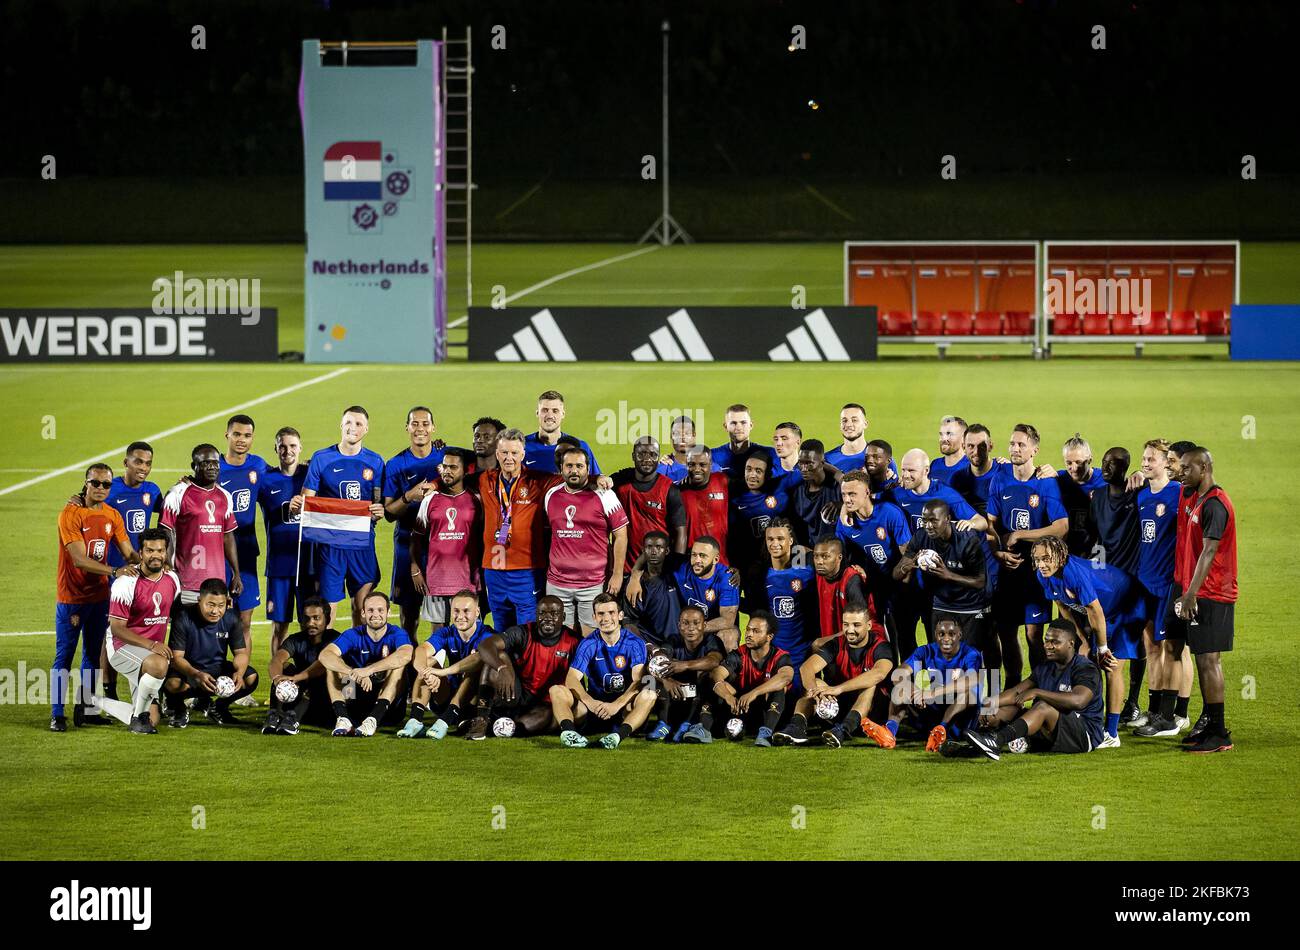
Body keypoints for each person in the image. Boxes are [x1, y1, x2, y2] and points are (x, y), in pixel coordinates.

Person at [1031, 536, 1145, 748]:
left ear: (1060, 556)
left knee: (1111, 666)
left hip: (1126, 606)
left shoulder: (1074, 574)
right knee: (1089, 661)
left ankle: (1111, 733)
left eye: (1046, 558)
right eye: (1037, 559)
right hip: (1104, 609)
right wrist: (1081, 641)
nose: (1041, 564)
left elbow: (1096, 611)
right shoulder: (1042, 575)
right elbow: (1063, 605)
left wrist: (1102, 648)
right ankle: (1092, 720)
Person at [1163, 447, 1237, 753]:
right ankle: (1208, 721)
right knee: (1196, 656)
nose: (1180, 474)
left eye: (1185, 469)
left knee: (1209, 659)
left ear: (1203, 468)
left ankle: (1219, 731)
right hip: (1192, 589)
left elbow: (1209, 551)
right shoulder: (1194, 496)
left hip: (1211, 593)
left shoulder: (1216, 505)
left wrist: (1191, 593)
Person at [53, 464, 137, 731]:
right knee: (64, 656)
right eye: (95, 483)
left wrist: (154, 562)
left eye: (106, 485)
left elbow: (129, 553)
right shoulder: (70, 514)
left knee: (92, 654)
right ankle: (58, 714)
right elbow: (78, 559)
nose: (101, 488)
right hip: (72, 598)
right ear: (86, 483)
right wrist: (114, 571)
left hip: (99, 596)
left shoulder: (112, 515)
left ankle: (87, 709)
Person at [986, 424, 1066, 684]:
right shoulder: (1000, 478)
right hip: (1007, 571)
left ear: (1035, 450)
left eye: (1021, 444)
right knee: (1006, 632)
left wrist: (1021, 535)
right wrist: (997, 551)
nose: (1015, 449)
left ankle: (1041, 688)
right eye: (1012, 443)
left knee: (1034, 635)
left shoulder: (1046, 483)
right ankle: (1012, 689)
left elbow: (1061, 526)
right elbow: (990, 522)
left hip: (1036, 573)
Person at [888, 448, 987, 657]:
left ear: (926, 471)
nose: (905, 475)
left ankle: (941, 686)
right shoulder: (897, 492)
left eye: (911, 471)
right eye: (903, 469)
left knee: (938, 639)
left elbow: (981, 521)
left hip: (937, 582)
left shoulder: (945, 495)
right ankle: (910, 686)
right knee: (904, 636)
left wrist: (966, 523)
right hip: (911, 576)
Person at [964, 618, 1104, 759]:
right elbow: (1016, 693)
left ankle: (996, 741)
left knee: (1042, 706)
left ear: (1070, 644)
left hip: (1083, 734)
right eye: (1046, 640)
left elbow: (1078, 701)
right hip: (1052, 729)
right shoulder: (1046, 666)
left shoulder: (1085, 668)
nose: (1048, 646)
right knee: (1003, 708)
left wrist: (1037, 692)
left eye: (1055, 642)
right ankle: (975, 745)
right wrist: (989, 703)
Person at [297, 406, 386, 630]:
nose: (352, 427)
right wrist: (299, 505)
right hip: (330, 546)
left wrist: (379, 511)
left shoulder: (375, 462)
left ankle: (359, 656)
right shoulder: (321, 458)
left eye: (358, 423)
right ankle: (327, 663)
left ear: (366, 428)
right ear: (341, 425)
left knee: (361, 608)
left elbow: (378, 501)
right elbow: (308, 500)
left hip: (362, 544)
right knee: (329, 608)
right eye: (348, 422)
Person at [1131, 439, 1192, 737]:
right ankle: (1154, 710)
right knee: (1152, 648)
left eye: (1151, 459)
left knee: (1175, 649)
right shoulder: (1141, 496)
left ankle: (1176, 713)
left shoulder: (1179, 494)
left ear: (1165, 463)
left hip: (1169, 583)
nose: (1145, 463)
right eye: (1143, 458)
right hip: (1145, 582)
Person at [776, 602, 896, 748]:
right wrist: (815, 692)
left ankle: (843, 730)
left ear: (869, 625)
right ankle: (797, 727)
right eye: (846, 625)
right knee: (816, 684)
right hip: (837, 706)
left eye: (856, 625)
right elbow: (806, 668)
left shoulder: (881, 646)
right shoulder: (836, 644)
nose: (850, 630)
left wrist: (838, 689)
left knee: (870, 685)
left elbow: (879, 673)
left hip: (870, 715)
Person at [467, 595, 581, 739]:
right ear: (536, 615)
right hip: (516, 694)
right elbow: (485, 645)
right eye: (542, 613)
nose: (547, 618)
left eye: (554, 614)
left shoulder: (574, 641)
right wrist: (502, 668)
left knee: (542, 718)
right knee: (499, 656)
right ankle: (481, 719)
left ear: (563, 617)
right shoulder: (523, 632)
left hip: (544, 704)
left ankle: (499, 725)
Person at [543, 446, 629, 632]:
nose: (574, 471)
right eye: (569, 466)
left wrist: (617, 574)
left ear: (588, 470)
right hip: (557, 582)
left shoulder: (605, 495)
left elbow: (621, 535)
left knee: (591, 635)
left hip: (593, 582)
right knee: (561, 637)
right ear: (561, 469)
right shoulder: (551, 496)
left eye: (579, 466)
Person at [1087, 446, 1144, 720]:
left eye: (1114, 464)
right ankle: (1104, 706)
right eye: (1104, 462)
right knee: (1104, 644)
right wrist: (1098, 571)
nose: (1106, 468)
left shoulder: (1138, 493)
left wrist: (1141, 474)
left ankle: (1132, 701)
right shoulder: (1096, 496)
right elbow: (1095, 538)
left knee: (1134, 643)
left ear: (1125, 468)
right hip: (1106, 581)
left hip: (1133, 581)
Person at [553, 595, 655, 749]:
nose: (606, 618)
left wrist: (616, 705)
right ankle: (570, 734)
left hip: (623, 711)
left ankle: (617, 737)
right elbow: (571, 679)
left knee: (649, 693)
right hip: (594, 710)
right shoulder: (588, 643)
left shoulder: (634, 643)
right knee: (556, 690)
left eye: (611, 612)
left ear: (620, 615)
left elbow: (638, 682)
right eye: (601, 614)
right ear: (594, 617)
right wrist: (590, 702)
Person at [104, 528, 180, 734]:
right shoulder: (126, 583)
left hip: (149, 654)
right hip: (122, 648)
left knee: (154, 720)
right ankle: (139, 718)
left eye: (160, 550)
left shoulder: (172, 579)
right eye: (150, 550)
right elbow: (116, 628)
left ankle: (93, 701)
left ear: (166, 552)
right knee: (158, 664)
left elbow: (177, 609)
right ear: (141, 552)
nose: (156, 555)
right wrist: (152, 645)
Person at [893, 499, 992, 652]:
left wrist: (949, 575)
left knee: (969, 658)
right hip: (941, 605)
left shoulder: (968, 540)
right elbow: (896, 575)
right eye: (924, 520)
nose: (928, 526)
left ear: (947, 519)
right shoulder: (921, 537)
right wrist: (908, 565)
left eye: (933, 521)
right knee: (942, 658)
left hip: (971, 606)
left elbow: (980, 581)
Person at [396, 589, 493, 739]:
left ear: (477, 611)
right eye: (456, 611)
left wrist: (443, 672)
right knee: (428, 663)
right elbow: (421, 650)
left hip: (473, 703)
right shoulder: (447, 632)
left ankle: (445, 721)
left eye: (466, 611)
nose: (460, 616)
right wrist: (426, 672)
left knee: (475, 669)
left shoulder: (487, 634)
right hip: (446, 698)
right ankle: (415, 720)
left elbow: (478, 659)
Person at [382, 406, 445, 634]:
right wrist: (409, 496)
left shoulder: (445, 456)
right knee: (409, 616)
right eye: (415, 424)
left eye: (425, 424)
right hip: (407, 546)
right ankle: (407, 667)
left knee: (439, 616)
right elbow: (389, 513)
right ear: (407, 427)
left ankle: (434, 667)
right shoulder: (395, 464)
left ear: (433, 428)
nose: (420, 429)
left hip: (440, 545)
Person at [318, 591, 414, 737]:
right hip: (356, 703)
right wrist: (353, 673)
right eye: (370, 610)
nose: (375, 614)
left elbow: (406, 654)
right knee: (333, 666)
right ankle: (343, 718)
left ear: (388, 612)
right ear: (363, 613)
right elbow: (325, 655)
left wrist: (368, 670)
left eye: (380, 610)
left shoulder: (397, 633)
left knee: (398, 665)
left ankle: (373, 720)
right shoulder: (353, 634)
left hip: (389, 709)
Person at [163, 579, 258, 727]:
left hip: (216, 669)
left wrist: (239, 673)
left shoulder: (231, 617)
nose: (215, 611)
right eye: (210, 605)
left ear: (226, 602)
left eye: (221, 606)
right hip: (189, 671)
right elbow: (176, 658)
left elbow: (241, 653)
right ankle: (179, 708)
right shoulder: (183, 617)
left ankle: (219, 708)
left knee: (250, 677)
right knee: (172, 684)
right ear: (199, 600)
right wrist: (196, 674)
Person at [257, 426, 316, 657]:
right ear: (275, 448)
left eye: (292, 446)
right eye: (282, 446)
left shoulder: (311, 475)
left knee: (309, 623)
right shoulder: (265, 481)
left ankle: (307, 676)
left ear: (300, 448)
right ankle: (277, 681)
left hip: (307, 565)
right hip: (279, 566)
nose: (287, 450)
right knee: (279, 626)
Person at [693, 611, 793, 746]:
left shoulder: (780, 656)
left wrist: (754, 693)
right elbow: (717, 674)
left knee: (778, 688)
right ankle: (703, 729)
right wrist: (728, 696)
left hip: (768, 713)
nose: (749, 634)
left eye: (756, 631)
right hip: (740, 708)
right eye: (748, 629)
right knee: (708, 679)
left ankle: (766, 734)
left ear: (769, 636)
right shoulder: (739, 654)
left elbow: (785, 677)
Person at [885, 617, 983, 753]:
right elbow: (898, 673)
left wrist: (932, 693)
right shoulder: (925, 651)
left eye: (951, 634)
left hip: (958, 720)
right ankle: (889, 732)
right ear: (935, 635)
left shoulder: (971, 654)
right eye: (941, 634)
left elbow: (972, 679)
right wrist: (915, 693)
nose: (946, 638)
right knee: (900, 688)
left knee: (970, 693)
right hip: (929, 712)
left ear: (960, 635)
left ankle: (941, 730)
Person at [160, 444, 241, 606]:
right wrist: (169, 569)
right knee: (184, 628)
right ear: (194, 466)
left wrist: (236, 573)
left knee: (214, 629)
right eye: (205, 463)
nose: (212, 467)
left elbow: (228, 536)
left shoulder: (225, 496)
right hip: (186, 582)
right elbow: (165, 532)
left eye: (215, 463)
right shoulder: (178, 493)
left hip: (217, 582)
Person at [410, 448, 482, 629]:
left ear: (465, 471)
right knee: (438, 638)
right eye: (444, 466)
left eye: (453, 467)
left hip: (468, 579)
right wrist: (415, 569)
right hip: (436, 580)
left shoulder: (476, 499)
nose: (447, 471)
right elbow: (416, 537)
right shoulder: (430, 499)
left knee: (469, 634)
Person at [628, 536, 741, 649]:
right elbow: (652, 554)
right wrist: (634, 576)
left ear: (716, 559)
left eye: (702, 556)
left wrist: (695, 628)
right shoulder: (681, 565)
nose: (697, 560)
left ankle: (725, 666)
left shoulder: (727, 579)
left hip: (710, 629)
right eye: (694, 554)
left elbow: (727, 620)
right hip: (685, 628)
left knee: (729, 635)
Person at [834, 470, 912, 633]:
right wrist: (854, 568)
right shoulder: (845, 523)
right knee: (879, 633)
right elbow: (839, 554)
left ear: (867, 492)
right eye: (844, 494)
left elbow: (908, 552)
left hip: (898, 581)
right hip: (872, 583)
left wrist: (904, 584)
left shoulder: (889, 513)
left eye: (852, 494)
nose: (847, 499)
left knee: (904, 635)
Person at [219, 414, 268, 659]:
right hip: (217, 557)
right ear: (227, 435)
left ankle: (240, 680)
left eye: (247, 435)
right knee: (215, 622)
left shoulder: (259, 466)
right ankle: (212, 680)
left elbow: (279, 484)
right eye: (237, 434)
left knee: (244, 621)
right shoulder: (213, 468)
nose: (241, 440)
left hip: (247, 554)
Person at [645, 606, 726, 742]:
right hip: (678, 695)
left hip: (702, 698)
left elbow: (713, 661)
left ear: (704, 625)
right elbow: (654, 664)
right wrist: (667, 680)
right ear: (679, 625)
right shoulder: (673, 640)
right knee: (650, 678)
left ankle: (689, 724)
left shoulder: (712, 641)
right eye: (685, 623)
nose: (690, 628)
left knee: (706, 674)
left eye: (696, 623)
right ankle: (663, 724)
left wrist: (685, 665)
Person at [263, 595, 338, 735]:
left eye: (316, 618)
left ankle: (293, 719)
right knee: (285, 668)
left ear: (327, 620)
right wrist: (277, 678)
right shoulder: (296, 640)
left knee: (322, 676)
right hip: (300, 692)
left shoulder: (335, 639)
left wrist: (298, 677)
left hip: (326, 700)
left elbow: (322, 664)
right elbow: (277, 660)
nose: (310, 623)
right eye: (307, 618)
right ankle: (274, 715)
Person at [611, 436, 688, 572]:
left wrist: (675, 568)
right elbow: (596, 485)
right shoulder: (620, 482)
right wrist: (599, 478)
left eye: (652, 455)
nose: (647, 459)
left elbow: (680, 533)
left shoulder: (669, 489)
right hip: (625, 570)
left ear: (659, 458)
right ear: (633, 456)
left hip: (658, 572)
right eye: (641, 454)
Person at [728, 450, 789, 607]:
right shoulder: (735, 499)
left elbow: (805, 471)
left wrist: (837, 474)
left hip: (772, 567)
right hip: (745, 569)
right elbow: (733, 541)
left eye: (758, 471)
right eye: (748, 469)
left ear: (768, 474)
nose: (752, 475)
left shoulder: (779, 490)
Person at [761, 519, 818, 688]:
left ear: (791, 540)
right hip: (774, 654)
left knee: (803, 696)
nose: (775, 543)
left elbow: (826, 556)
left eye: (780, 538)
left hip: (803, 651)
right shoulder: (760, 576)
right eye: (770, 539)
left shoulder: (806, 570)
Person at [618, 531, 682, 645]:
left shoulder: (678, 572)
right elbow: (629, 621)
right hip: (651, 642)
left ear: (666, 551)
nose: (653, 552)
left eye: (658, 547)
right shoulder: (635, 584)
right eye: (649, 547)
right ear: (643, 551)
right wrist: (648, 647)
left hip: (679, 641)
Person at [811, 536, 876, 639]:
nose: (819, 562)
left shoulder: (852, 581)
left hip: (858, 641)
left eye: (825, 556)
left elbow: (860, 625)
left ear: (839, 558)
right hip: (835, 640)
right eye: (816, 556)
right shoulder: (820, 573)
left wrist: (828, 640)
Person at [524, 390, 600, 474]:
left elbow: (595, 480)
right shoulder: (521, 447)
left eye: (555, 411)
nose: (549, 416)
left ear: (563, 414)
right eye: (545, 410)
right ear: (537, 413)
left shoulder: (580, 447)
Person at [679, 444, 731, 562]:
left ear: (711, 465)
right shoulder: (678, 492)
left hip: (720, 562)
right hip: (693, 564)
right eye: (692, 465)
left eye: (702, 465)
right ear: (686, 465)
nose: (697, 469)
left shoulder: (722, 481)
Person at [1057, 433, 1106, 556]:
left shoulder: (1105, 480)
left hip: (1099, 550)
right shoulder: (1058, 479)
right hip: (1068, 549)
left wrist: (1138, 474)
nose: (1074, 468)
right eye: (1069, 463)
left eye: (1079, 462)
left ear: (1090, 459)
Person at [788, 439, 843, 548]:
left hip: (839, 554)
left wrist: (843, 505)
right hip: (812, 552)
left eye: (809, 463)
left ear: (822, 463)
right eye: (801, 463)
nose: (804, 469)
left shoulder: (839, 488)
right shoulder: (797, 491)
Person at [711, 404, 779, 487]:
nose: (739, 427)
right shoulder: (712, 456)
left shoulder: (769, 454)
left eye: (743, 422)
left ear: (751, 425)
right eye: (733, 423)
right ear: (725, 426)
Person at [928, 415, 971, 491]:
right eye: (941, 434)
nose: (943, 439)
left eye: (949, 434)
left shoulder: (973, 467)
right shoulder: (935, 464)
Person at [825, 403, 870, 472]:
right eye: (844, 421)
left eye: (854, 420)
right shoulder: (828, 459)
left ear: (865, 424)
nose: (848, 424)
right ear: (840, 425)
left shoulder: (880, 458)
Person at [770, 421, 806, 492]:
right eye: (776, 439)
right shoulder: (768, 471)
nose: (778, 443)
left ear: (798, 442)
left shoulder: (809, 473)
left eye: (784, 438)